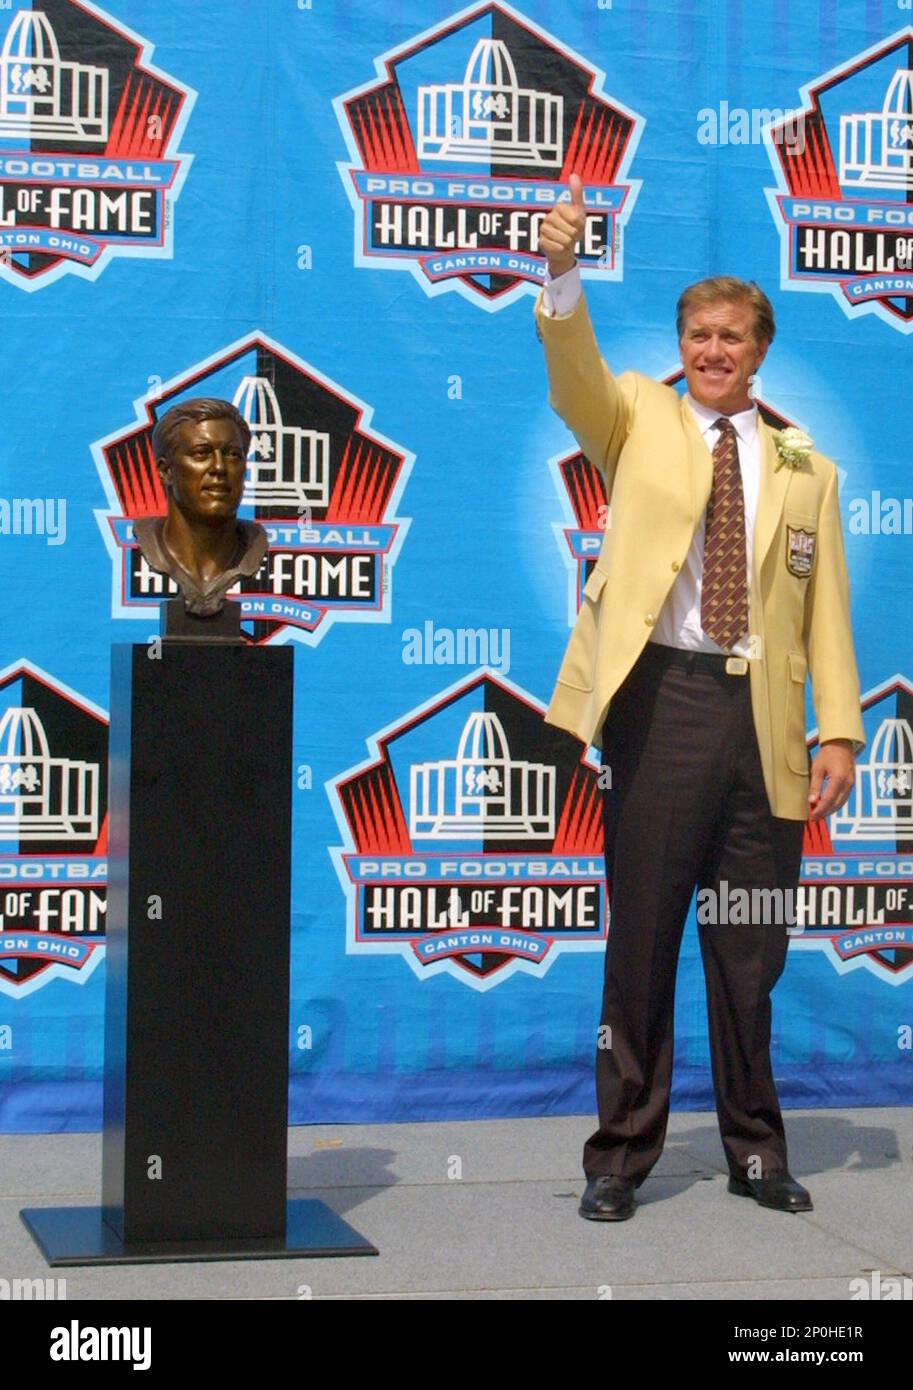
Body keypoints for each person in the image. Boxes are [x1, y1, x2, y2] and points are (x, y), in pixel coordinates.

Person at [535, 175, 864, 1221]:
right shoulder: (634, 415)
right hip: (661, 705)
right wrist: (558, 270)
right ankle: (619, 1157)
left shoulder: (806, 466)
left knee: (749, 942)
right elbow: (572, 376)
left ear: (758, 348)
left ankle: (756, 1150)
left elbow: (826, 621)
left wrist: (841, 731)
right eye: (698, 334)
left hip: (762, 723)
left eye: (731, 335)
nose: (714, 350)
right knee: (640, 940)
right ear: (681, 345)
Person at [134, 398, 266, 617]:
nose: (219, 467)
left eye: (233, 455)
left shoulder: (253, 547)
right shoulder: (151, 543)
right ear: (166, 471)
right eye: (201, 453)